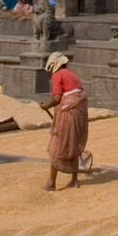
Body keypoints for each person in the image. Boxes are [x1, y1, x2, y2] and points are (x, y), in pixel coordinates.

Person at [43, 53, 88, 191]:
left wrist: (47, 106)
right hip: (79, 111)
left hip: (69, 112)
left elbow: (57, 98)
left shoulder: (57, 75)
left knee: (58, 144)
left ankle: (51, 182)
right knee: (72, 142)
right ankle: (74, 181)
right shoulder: (71, 75)